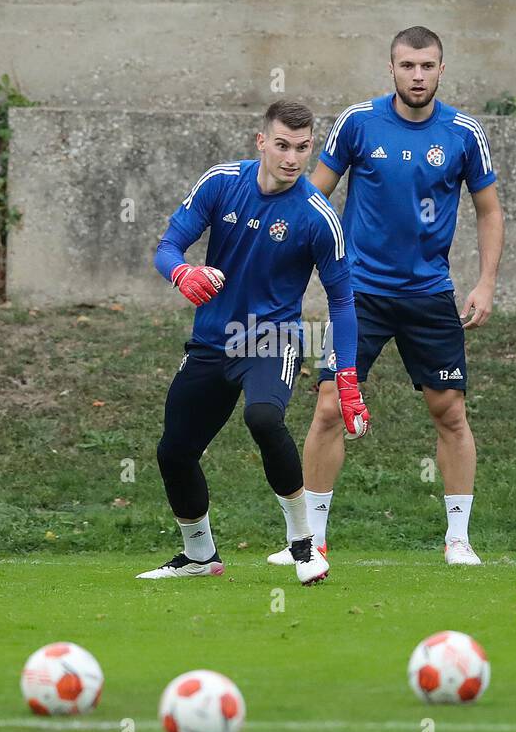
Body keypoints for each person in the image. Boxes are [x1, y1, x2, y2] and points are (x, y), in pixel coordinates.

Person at [284, 26, 506, 568]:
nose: (417, 76)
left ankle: (457, 539)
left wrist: (485, 282)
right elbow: (314, 196)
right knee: (331, 405)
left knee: (448, 410)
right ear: (392, 69)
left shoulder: (463, 133)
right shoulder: (358, 123)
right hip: (357, 293)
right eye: (408, 65)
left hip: (429, 294)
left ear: (441, 70)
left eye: (427, 66)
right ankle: (310, 541)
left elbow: (489, 210)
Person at [142, 99, 369, 586]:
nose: (292, 157)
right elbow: (166, 248)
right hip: (211, 340)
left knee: (263, 416)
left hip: (272, 338)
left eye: (303, 148)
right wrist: (182, 273)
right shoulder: (222, 182)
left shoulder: (316, 216)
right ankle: (199, 555)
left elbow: (343, 302)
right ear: (261, 141)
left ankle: (304, 546)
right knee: (174, 452)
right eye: (282, 145)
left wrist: (346, 377)